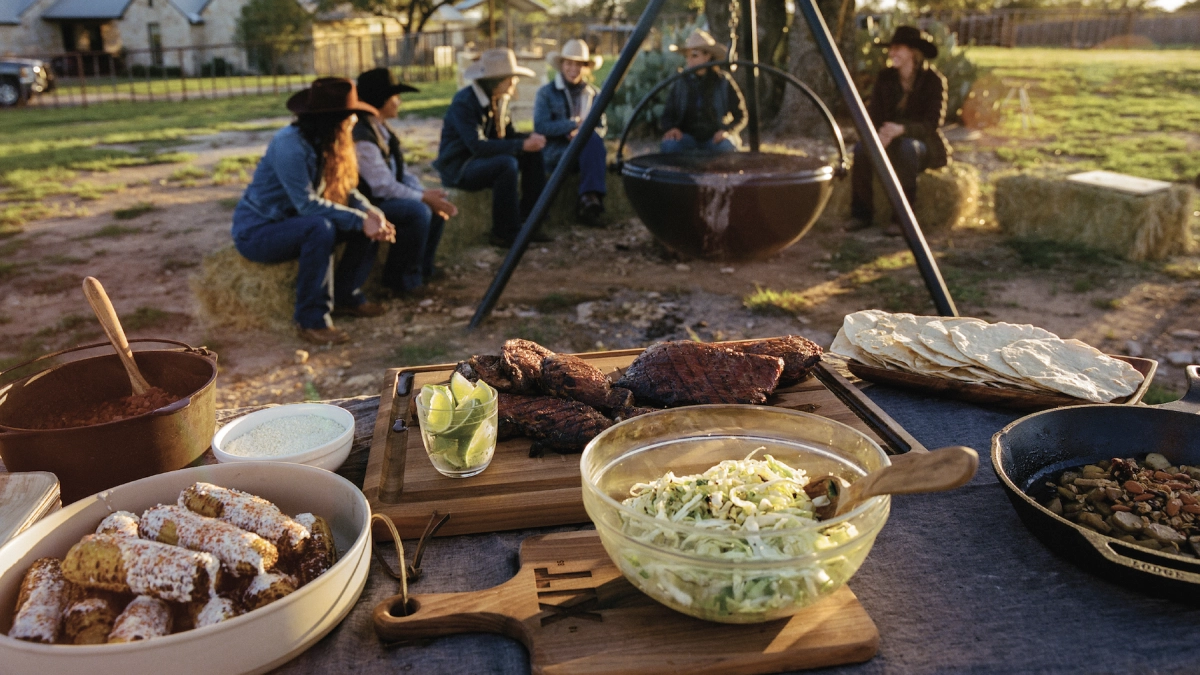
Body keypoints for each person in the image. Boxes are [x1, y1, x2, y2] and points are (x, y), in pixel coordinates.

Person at [231, 77, 396, 346]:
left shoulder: (328, 142)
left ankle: (346, 297)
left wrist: (370, 212)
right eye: (350, 117)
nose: (354, 122)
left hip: (297, 221)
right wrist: (359, 220)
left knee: (358, 223)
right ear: (334, 120)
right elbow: (306, 205)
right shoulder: (290, 145)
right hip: (259, 231)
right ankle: (310, 320)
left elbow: (345, 191)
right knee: (321, 227)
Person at [354, 67, 458, 296]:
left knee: (432, 207)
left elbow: (399, 172)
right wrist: (421, 197)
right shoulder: (363, 136)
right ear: (381, 99)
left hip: (383, 195)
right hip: (369, 202)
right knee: (417, 212)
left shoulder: (379, 128)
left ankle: (422, 270)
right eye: (395, 97)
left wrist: (424, 193)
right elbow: (381, 185)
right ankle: (401, 279)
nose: (399, 102)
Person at [433, 48, 548, 248]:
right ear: (497, 81)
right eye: (511, 78)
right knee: (506, 164)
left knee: (532, 155)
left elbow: (507, 134)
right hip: (461, 166)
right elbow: (476, 145)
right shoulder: (465, 102)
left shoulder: (499, 99)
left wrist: (530, 139)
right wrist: (521, 144)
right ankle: (505, 232)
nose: (514, 83)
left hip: (481, 160)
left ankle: (530, 222)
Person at [850, 26, 951, 236]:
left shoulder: (934, 81)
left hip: (919, 143)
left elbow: (932, 124)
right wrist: (878, 135)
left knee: (907, 149)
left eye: (898, 48)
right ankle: (861, 214)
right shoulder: (885, 77)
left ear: (913, 52)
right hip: (889, 138)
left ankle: (902, 218)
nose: (892, 53)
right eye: (891, 48)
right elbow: (873, 115)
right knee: (861, 149)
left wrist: (902, 129)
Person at [534, 39, 608, 226]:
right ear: (562, 65)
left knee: (592, 139)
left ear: (585, 68)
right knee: (589, 143)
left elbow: (601, 127)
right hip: (557, 151)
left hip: (585, 150)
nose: (573, 69)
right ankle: (589, 200)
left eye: (578, 64)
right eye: (569, 63)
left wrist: (584, 133)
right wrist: (571, 127)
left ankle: (589, 198)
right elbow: (541, 126)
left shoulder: (594, 93)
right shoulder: (546, 93)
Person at [659, 29, 746, 155]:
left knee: (727, 147)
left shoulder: (723, 82)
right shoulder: (680, 82)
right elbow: (667, 115)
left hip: (714, 139)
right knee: (670, 146)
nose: (689, 60)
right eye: (687, 56)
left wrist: (727, 131)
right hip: (687, 138)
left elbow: (741, 115)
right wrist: (672, 129)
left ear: (707, 56)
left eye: (694, 55)